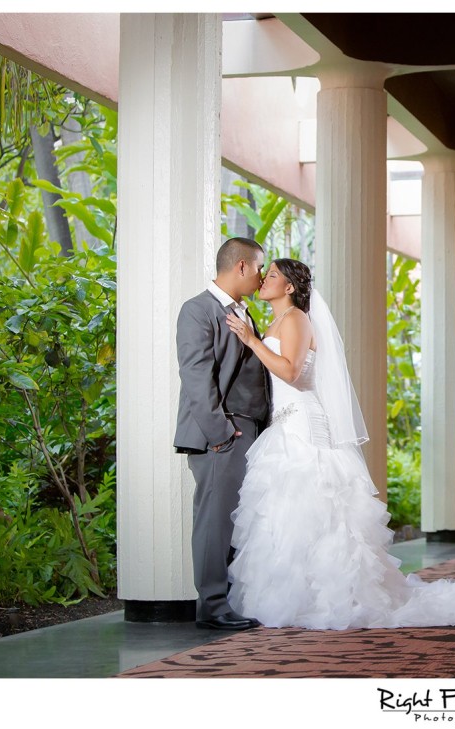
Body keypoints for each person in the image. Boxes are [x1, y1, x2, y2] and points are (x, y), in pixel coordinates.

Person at [224, 258, 455, 629]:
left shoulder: (296, 319)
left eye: (273, 275)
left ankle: (333, 597)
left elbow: (292, 372)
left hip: (304, 427)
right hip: (283, 426)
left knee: (318, 510)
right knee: (287, 514)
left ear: (290, 288)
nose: (264, 279)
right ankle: (297, 595)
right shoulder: (278, 320)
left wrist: (249, 340)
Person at [174, 237, 272, 630]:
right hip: (223, 432)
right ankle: (212, 607)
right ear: (243, 266)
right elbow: (196, 376)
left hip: (249, 429)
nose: (262, 276)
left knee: (237, 520)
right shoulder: (198, 310)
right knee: (215, 520)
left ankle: (229, 600)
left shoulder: (242, 312)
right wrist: (222, 432)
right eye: (260, 267)